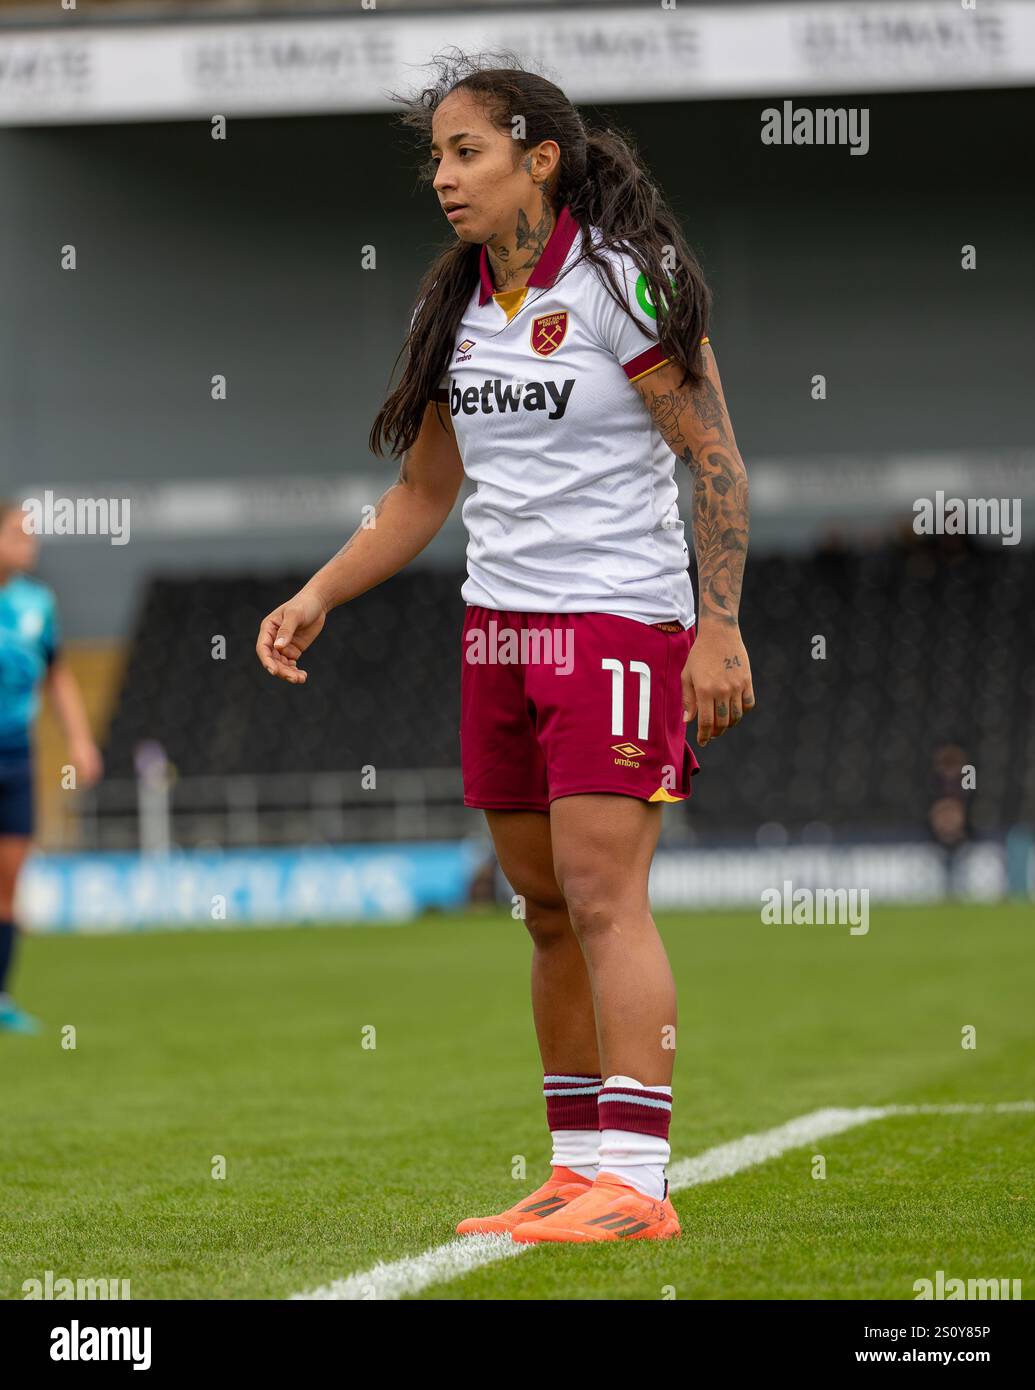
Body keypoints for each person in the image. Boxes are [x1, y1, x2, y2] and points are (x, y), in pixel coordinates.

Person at [255, 52, 755, 1243]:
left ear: (538, 158)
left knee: (599, 895)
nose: (441, 176)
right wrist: (320, 590)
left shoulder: (620, 282)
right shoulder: (459, 305)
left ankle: (637, 1181)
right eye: (433, 155)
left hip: (618, 623)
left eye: (464, 151)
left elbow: (715, 457)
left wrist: (718, 624)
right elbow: (426, 495)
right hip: (497, 633)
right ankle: (576, 1163)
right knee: (538, 909)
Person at [0, 501, 103, 1033]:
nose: (29, 542)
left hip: (16, 756)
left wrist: (81, 741)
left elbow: (57, 675)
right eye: (17, 532)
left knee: (6, 885)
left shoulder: (38, 602)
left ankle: (0, 998)